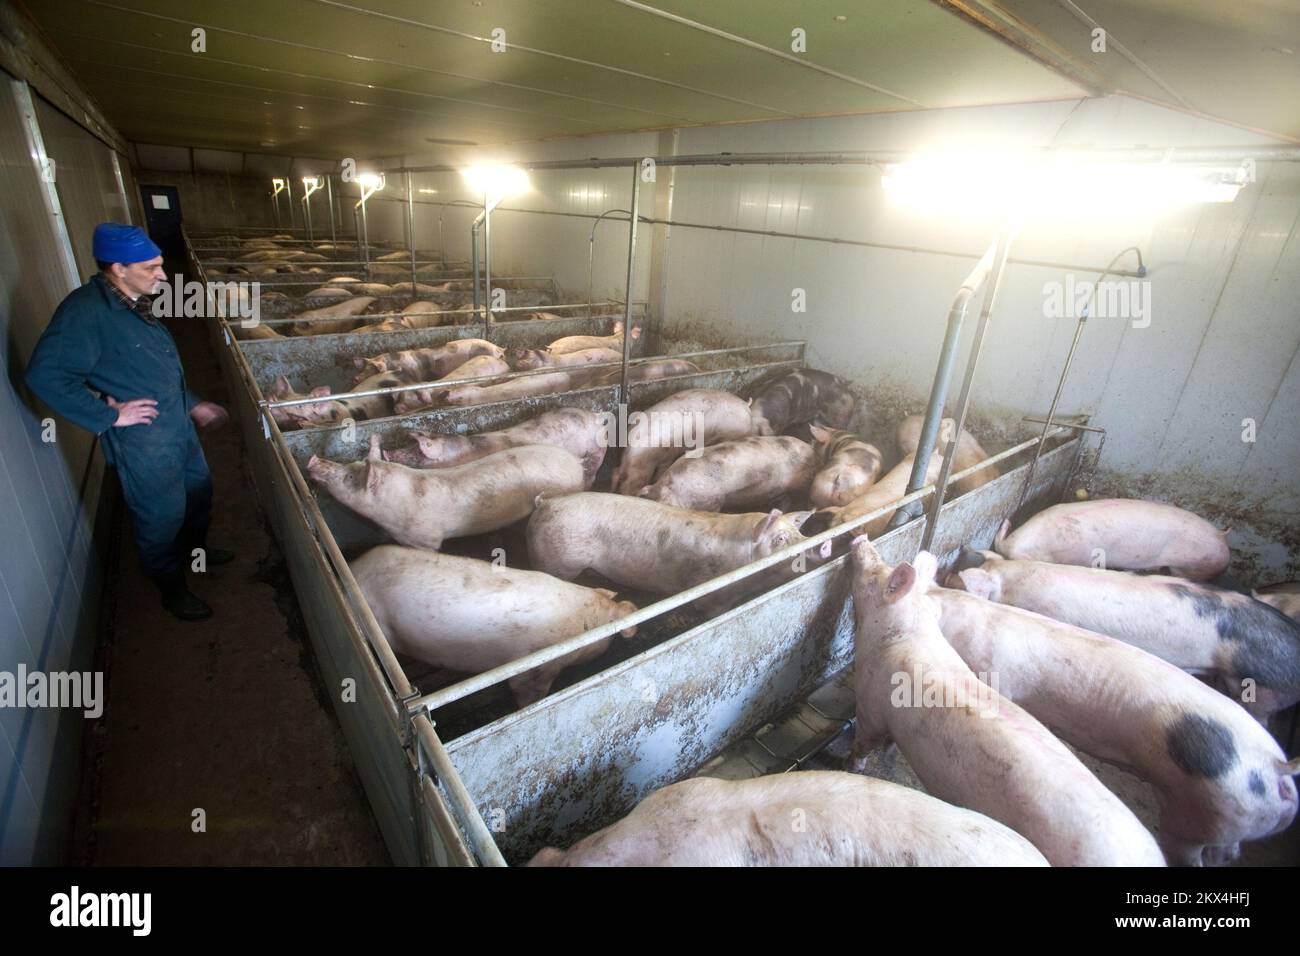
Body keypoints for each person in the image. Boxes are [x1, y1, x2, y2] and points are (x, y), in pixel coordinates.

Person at [26, 222, 232, 621]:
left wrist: (191, 404)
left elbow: (146, 370)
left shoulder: (131, 302)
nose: (163, 274)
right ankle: (172, 588)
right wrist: (109, 415)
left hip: (176, 425)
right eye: (152, 267)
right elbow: (45, 375)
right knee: (161, 515)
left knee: (198, 492)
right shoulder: (85, 312)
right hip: (145, 439)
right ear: (118, 268)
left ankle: (196, 554)